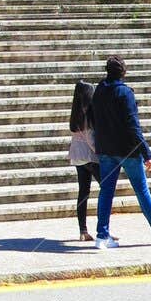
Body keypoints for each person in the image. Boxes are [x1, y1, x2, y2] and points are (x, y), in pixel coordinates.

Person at [90, 56, 151, 248]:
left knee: (106, 192)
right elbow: (133, 126)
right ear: (123, 72)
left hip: (106, 149)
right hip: (127, 150)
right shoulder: (125, 93)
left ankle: (102, 237)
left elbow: (93, 117)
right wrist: (147, 154)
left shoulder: (99, 90)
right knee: (141, 190)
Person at [68, 80, 100, 243]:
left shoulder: (75, 115)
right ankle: (103, 229)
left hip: (78, 157)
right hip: (90, 158)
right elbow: (91, 141)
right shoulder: (88, 114)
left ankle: (83, 230)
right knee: (107, 189)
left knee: (83, 192)